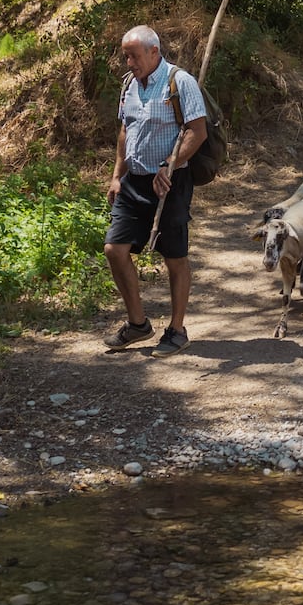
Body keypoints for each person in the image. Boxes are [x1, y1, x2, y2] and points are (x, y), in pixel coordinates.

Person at [103, 24, 208, 356]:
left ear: (154, 52)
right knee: (114, 249)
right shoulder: (129, 85)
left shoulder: (181, 82)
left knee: (174, 257)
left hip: (170, 184)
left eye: (134, 56)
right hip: (133, 181)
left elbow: (197, 132)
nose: (129, 63)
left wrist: (169, 166)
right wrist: (117, 175)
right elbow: (125, 130)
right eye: (126, 57)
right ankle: (138, 325)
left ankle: (177, 330)